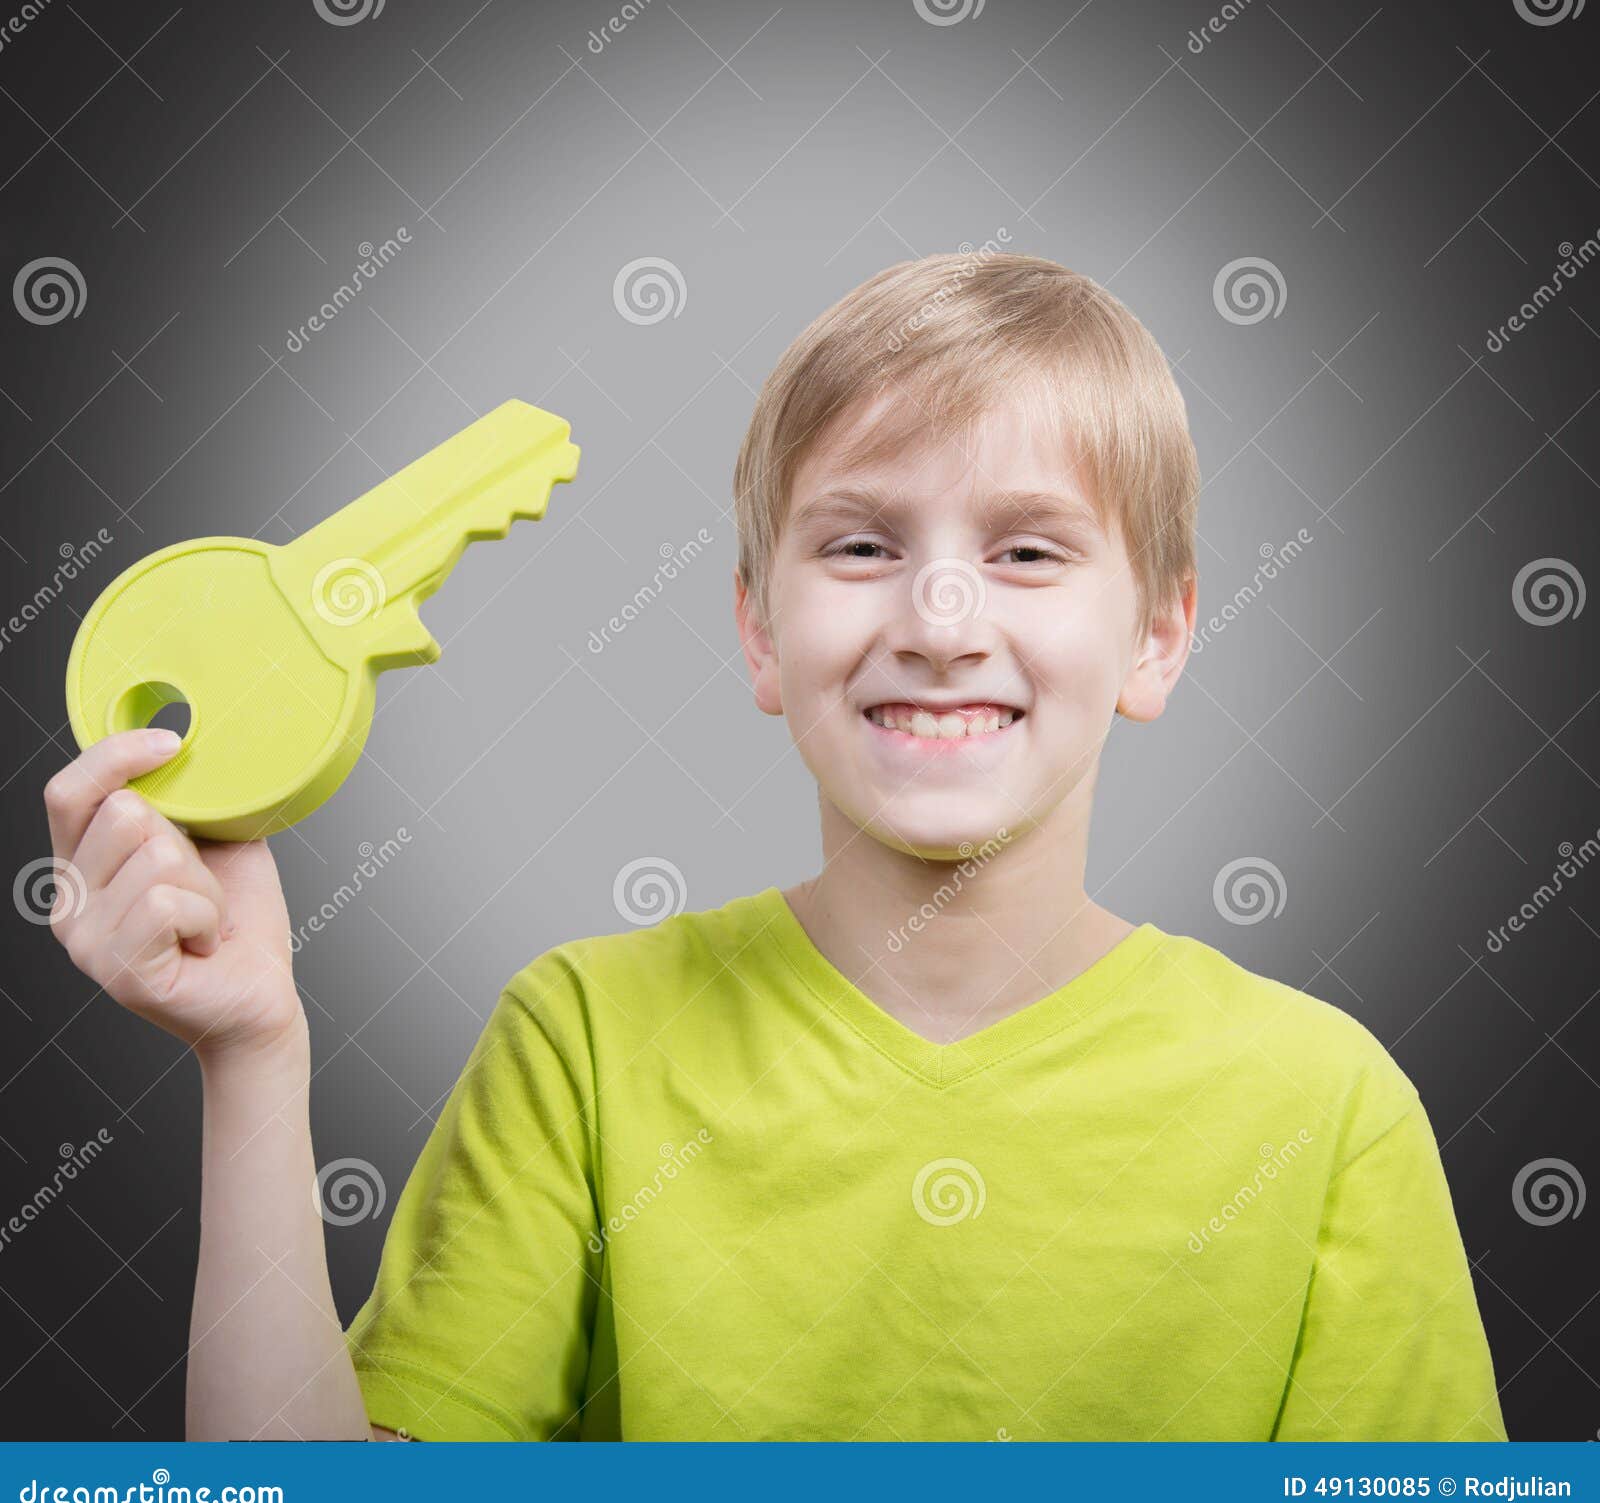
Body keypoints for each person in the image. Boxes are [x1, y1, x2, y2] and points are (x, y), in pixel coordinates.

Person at [44, 252, 1506, 1442]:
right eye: (861, 546)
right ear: (760, 629)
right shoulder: (585, 1043)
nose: (939, 621)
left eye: (1029, 550)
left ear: (1161, 632)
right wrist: (251, 1056)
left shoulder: (1326, 1109)